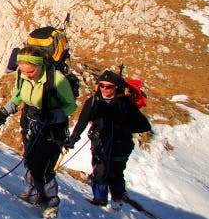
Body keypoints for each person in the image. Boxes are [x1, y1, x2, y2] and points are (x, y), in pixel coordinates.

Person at [0, 45, 78, 219]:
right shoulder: (22, 76)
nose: (26, 74)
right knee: (29, 159)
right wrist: (3, 112)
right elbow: (18, 97)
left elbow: (71, 105)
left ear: (40, 65)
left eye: (30, 71)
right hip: (30, 123)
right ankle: (33, 193)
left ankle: (51, 203)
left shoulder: (56, 79)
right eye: (22, 70)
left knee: (43, 167)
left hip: (51, 128)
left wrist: (53, 115)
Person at [64, 70, 151, 209]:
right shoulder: (93, 101)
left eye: (108, 86)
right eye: (101, 85)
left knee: (116, 169)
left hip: (121, 143)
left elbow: (143, 125)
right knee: (100, 169)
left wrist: (121, 125)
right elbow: (82, 121)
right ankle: (100, 199)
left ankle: (118, 196)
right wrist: (73, 138)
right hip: (101, 141)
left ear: (116, 87)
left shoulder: (124, 102)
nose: (104, 89)